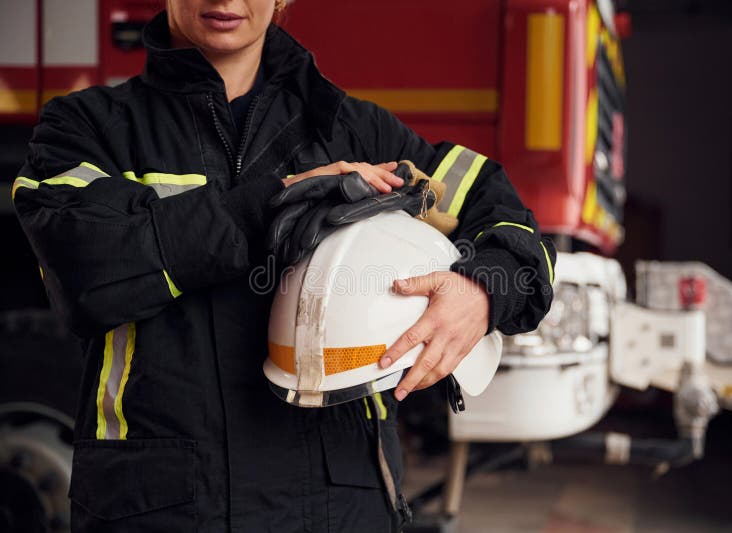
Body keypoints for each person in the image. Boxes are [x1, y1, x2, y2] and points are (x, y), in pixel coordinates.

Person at [12, 0, 556, 531]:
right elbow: (86, 270)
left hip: (338, 509)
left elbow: (503, 211)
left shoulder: (356, 131)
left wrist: (483, 291)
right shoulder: (87, 128)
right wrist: (272, 206)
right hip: (161, 507)